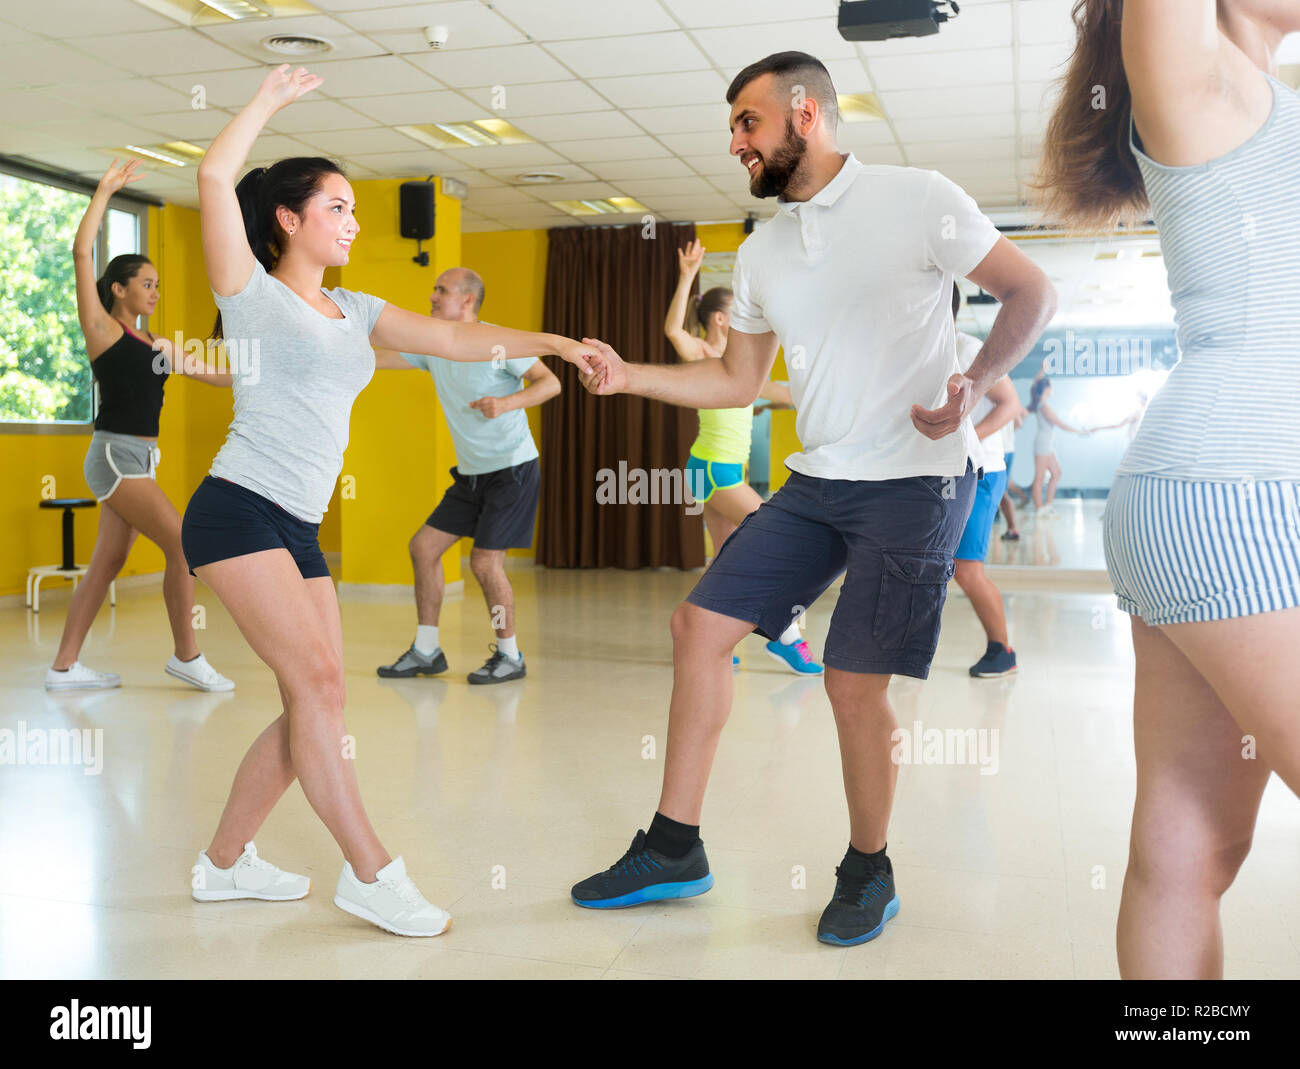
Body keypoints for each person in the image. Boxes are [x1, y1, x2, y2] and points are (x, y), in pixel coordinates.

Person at [570, 51, 1055, 945]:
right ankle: (676, 846)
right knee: (698, 628)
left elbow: (1032, 288)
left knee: (850, 682)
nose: (734, 145)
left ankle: (869, 866)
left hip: (917, 478)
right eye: (730, 130)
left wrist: (976, 378)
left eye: (746, 124)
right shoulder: (760, 252)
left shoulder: (919, 197)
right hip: (823, 477)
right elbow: (733, 380)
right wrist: (626, 376)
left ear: (805, 114)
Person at [181, 64, 598, 937]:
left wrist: (551, 337)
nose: (353, 221)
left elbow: (453, 335)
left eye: (353, 209)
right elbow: (215, 178)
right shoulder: (249, 296)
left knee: (313, 699)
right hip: (235, 508)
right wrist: (265, 101)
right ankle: (372, 872)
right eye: (337, 206)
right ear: (288, 219)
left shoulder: (357, 306)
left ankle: (223, 864)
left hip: (295, 524)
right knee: (321, 684)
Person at [1037, 0, 1300, 979]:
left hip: (1218, 492)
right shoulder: (1195, 70)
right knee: (1186, 849)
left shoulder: (1265, 98)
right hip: (1236, 494)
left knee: (1188, 848)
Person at [46, 158, 233, 693]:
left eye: (157, 285)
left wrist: (267, 371)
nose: (155, 292)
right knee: (183, 546)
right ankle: (187, 655)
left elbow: (216, 378)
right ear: (119, 289)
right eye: (146, 284)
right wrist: (104, 189)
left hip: (140, 461)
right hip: (113, 456)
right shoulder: (101, 329)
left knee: (106, 564)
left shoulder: (157, 345)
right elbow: (81, 253)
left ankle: (63, 668)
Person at [373, 267, 559, 684]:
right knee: (423, 548)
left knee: (485, 562)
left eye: (441, 290)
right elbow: (381, 356)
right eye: (435, 289)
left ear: (468, 300)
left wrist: (507, 403)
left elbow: (550, 383)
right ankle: (426, 650)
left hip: (512, 469)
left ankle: (510, 655)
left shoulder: (498, 342)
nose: (433, 296)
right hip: (472, 475)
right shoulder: (435, 346)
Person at [664, 238, 822, 675]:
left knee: (725, 558)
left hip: (714, 472)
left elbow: (785, 393)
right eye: (738, 310)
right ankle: (788, 639)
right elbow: (674, 331)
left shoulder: (743, 365)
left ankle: (710, 638)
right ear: (719, 319)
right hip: (712, 472)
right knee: (780, 545)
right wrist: (686, 277)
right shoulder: (704, 354)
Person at [948, 285, 1021, 677]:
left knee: (966, 567)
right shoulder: (920, 353)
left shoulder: (968, 348)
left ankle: (1003, 650)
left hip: (981, 471)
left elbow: (1010, 404)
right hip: (943, 473)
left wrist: (966, 437)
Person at [1027, 369, 1090, 513]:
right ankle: (1039, 509)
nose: (1052, 389)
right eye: (1051, 386)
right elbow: (1060, 423)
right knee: (1040, 477)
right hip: (1042, 444)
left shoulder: (1041, 404)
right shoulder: (1043, 407)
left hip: (1047, 445)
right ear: (1047, 388)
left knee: (1056, 473)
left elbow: (1034, 384)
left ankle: (1048, 505)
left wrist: (1042, 370)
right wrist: (1079, 431)